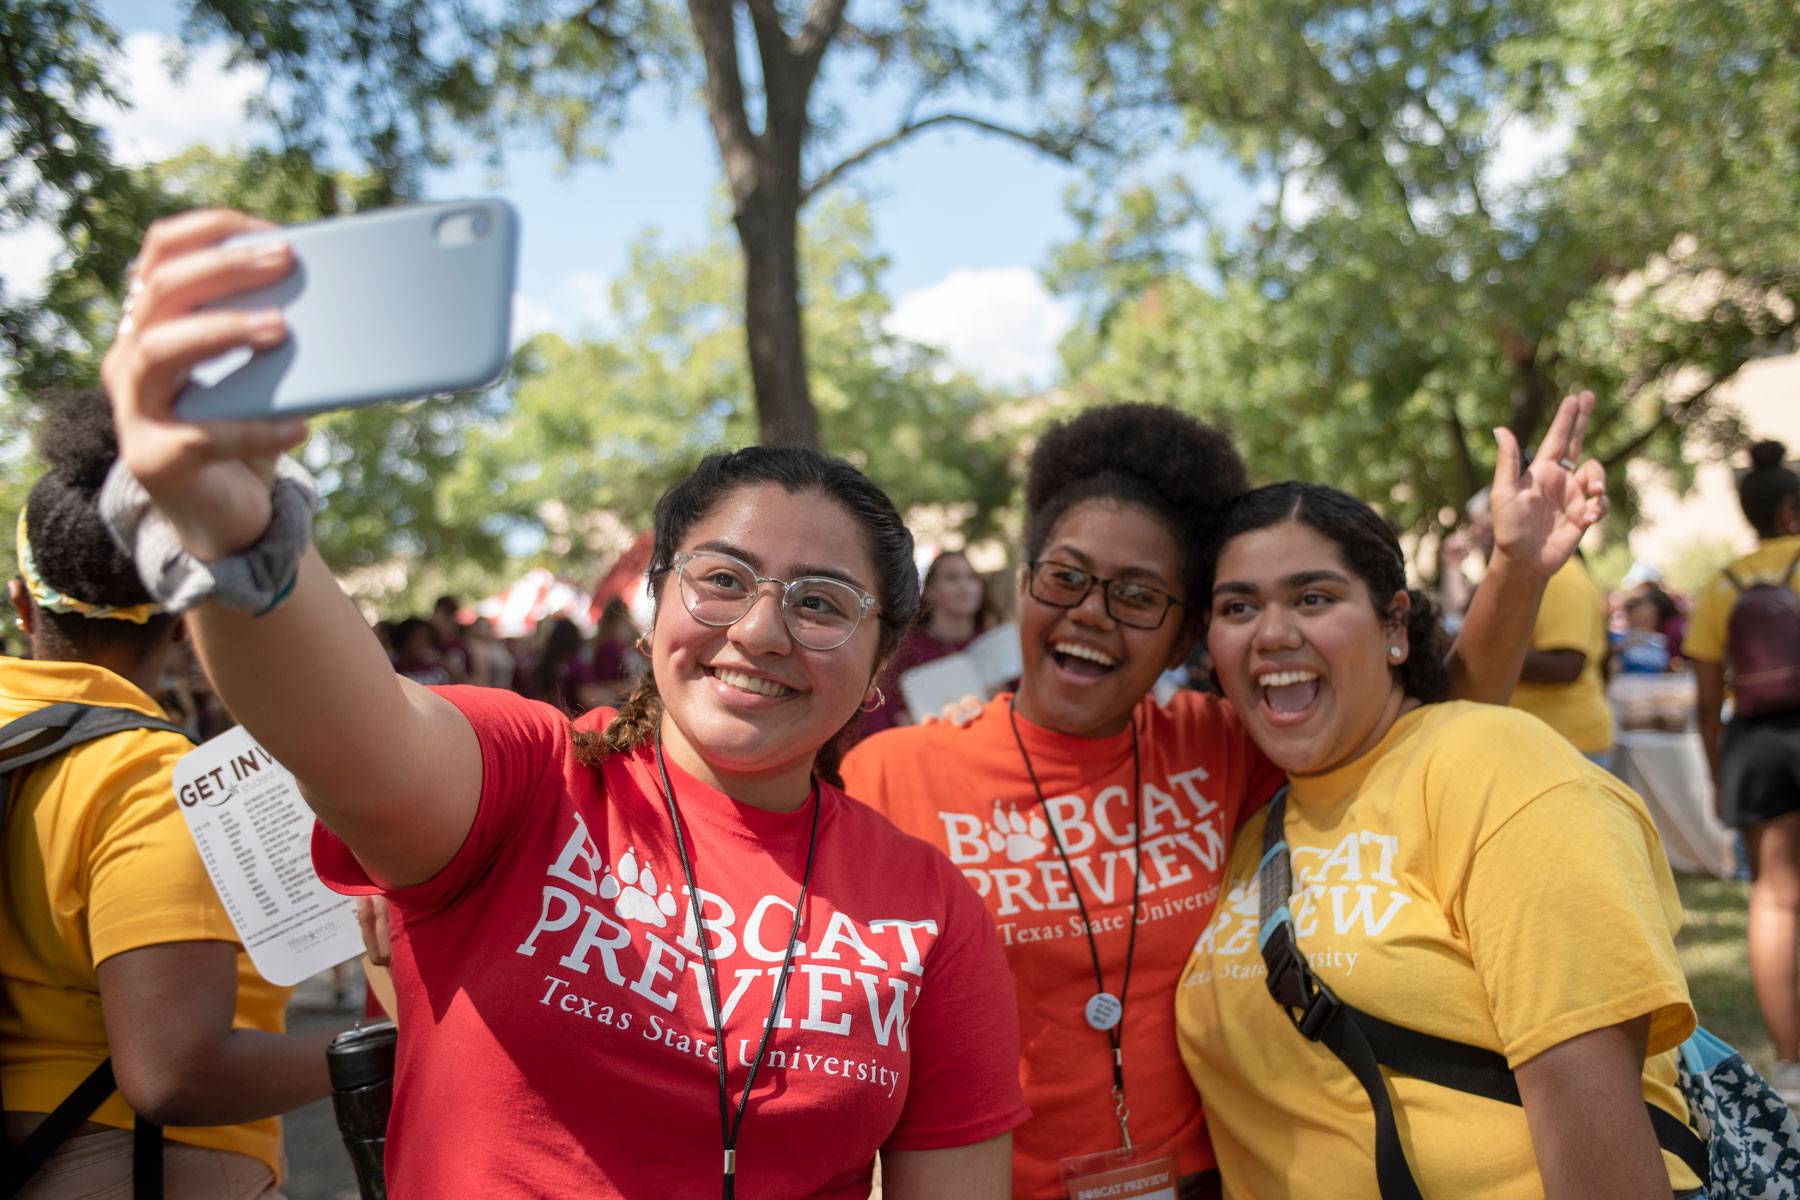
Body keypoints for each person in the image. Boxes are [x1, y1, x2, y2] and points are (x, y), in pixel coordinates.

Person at [97, 206, 1028, 1198]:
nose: (761, 631)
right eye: (722, 579)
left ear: (882, 658)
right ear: (653, 602)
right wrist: (239, 532)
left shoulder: (932, 913)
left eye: (822, 603)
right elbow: (351, 733)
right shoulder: (530, 781)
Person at [843, 401, 1608, 1198]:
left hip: (1212, 1181)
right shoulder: (894, 774)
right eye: (1066, 578)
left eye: (1137, 596)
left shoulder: (1224, 745)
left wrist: (1518, 567)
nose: (1092, 613)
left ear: (1183, 639)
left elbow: (1421, 726)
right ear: (1026, 590)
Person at [1176, 481, 1699, 1199]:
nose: (1271, 633)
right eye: (1239, 607)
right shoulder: (1257, 827)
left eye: (1313, 598)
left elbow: (1601, 1149)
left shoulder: (1505, 773)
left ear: (1394, 625)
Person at [2, 392, 334, 1197]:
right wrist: (385, 1045)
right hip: (131, 1164)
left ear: (22, 604)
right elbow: (175, 1073)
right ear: (184, 623)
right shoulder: (150, 783)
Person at [1685, 438, 1800, 1106]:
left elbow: (1707, 700)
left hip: (1756, 746)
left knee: (1775, 897)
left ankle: (1790, 1061)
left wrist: (1716, 770)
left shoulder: (1722, 586)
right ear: (1791, 509)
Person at [1466, 487, 1616, 767]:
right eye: (1475, 525)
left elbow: (1567, 665)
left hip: (1568, 744)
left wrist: (1480, 651)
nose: (1479, 533)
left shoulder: (1558, 575)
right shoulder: (1517, 574)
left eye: (1488, 521)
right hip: (1538, 740)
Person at [861, 550, 991, 736]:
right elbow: (878, 710)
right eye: (952, 578)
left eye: (972, 577)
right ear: (930, 590)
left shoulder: (996, 645)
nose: (965, 587)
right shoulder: (906, 649)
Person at [589, 597, 644, 708]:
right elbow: (604, 682)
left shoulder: (628, 643)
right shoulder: (609, 648)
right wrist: (633, 688)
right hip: (620, 704)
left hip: (633, 700)